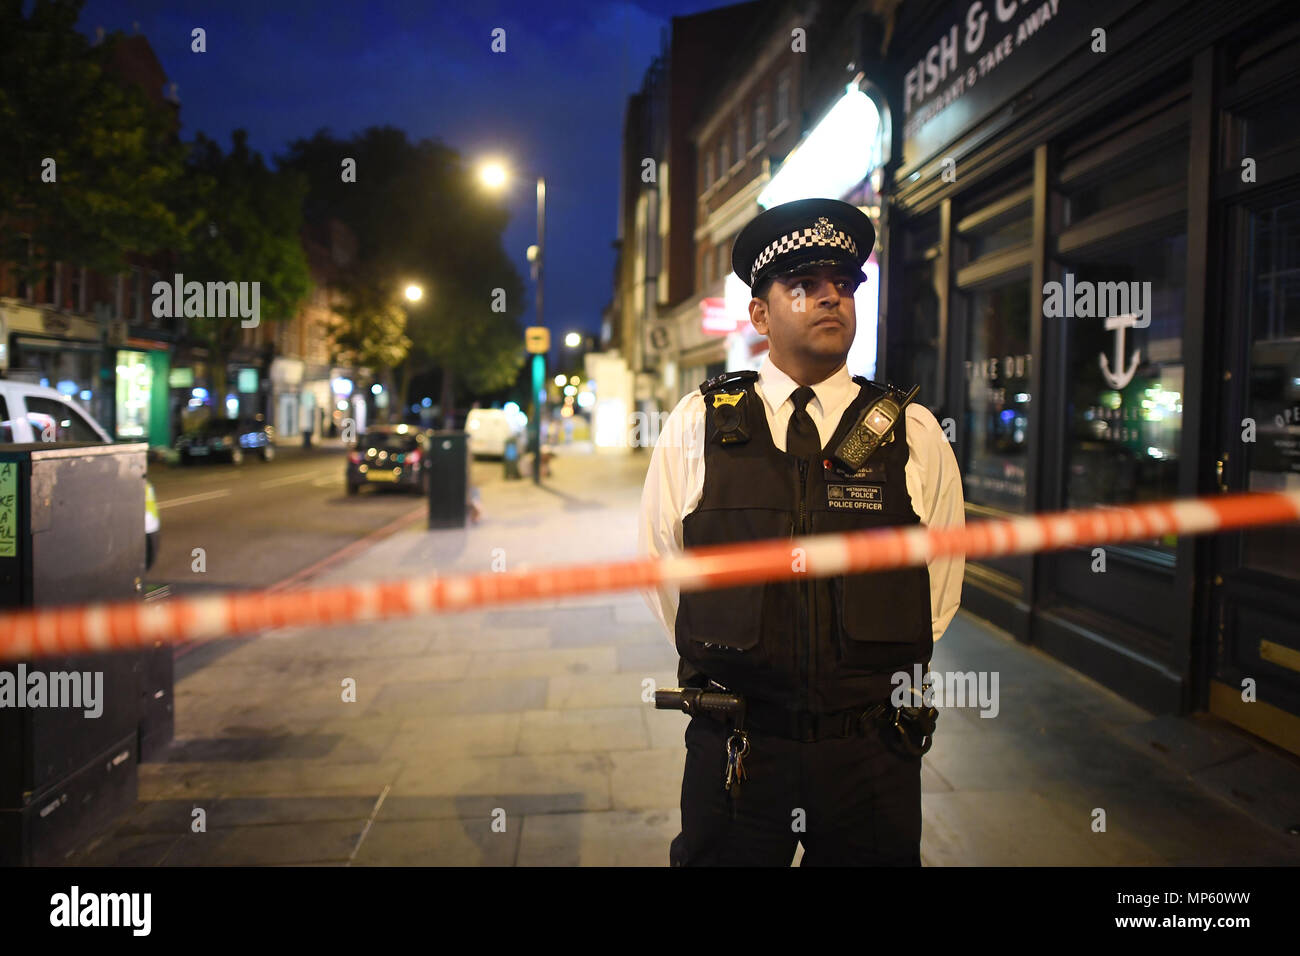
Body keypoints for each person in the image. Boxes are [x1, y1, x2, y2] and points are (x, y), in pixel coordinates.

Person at [637, 197, 965, 866]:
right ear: (759, 313)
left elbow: (939, 585)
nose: (830, 300)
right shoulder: (698, 425)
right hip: (740, 745)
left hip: (873, 750)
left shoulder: (914, 432)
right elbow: (664, 570)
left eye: (843, 286)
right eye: (804, 286)